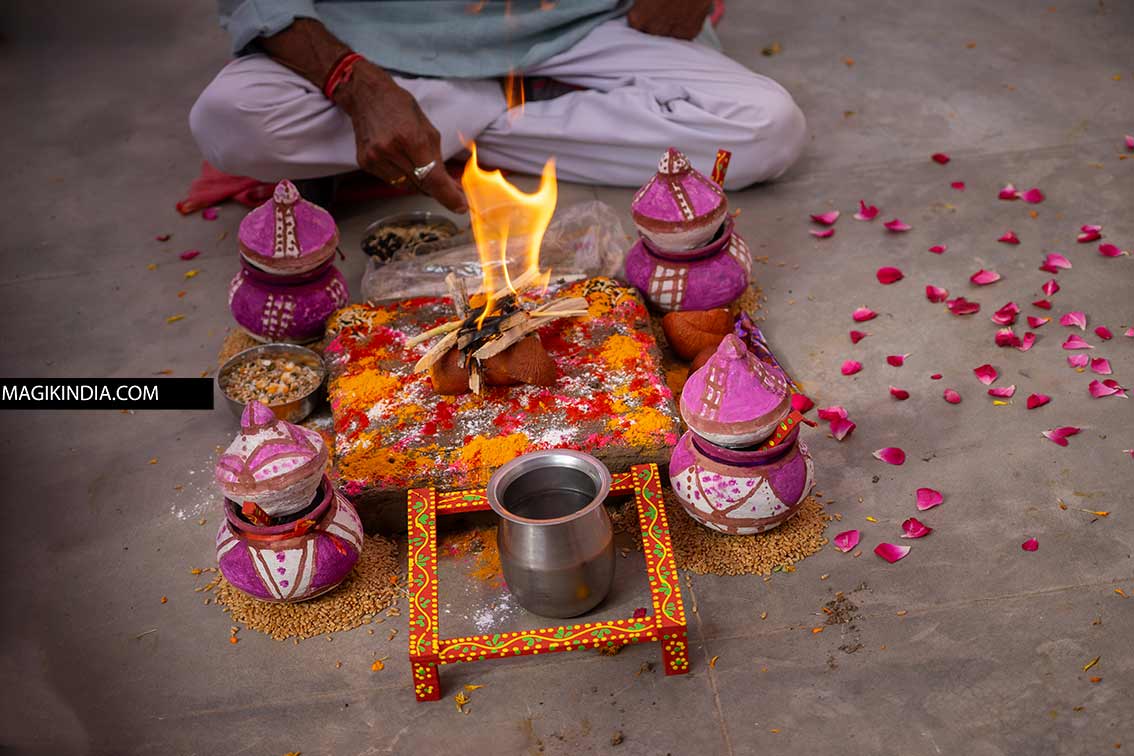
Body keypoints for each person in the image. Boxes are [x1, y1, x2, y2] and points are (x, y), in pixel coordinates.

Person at [190, 0, 806, 213]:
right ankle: (486, 106)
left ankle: (442, 127)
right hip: (384, 41)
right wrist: (357, 85)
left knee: (763, 129)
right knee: (230, 120)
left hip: (582, 22)